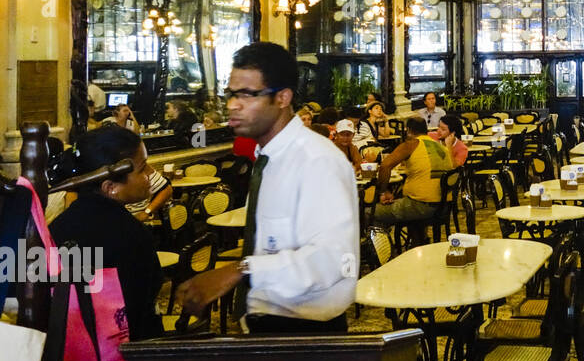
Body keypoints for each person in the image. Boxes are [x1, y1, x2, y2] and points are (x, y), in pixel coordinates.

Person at [176, 41, 358, 333]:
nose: (233, 105)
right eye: (231, 94)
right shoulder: (269, 159)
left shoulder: (316, 160)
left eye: (248, 94)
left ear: (283, 98)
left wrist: (240, 270)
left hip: (305, 333)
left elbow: (333, 260)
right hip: (266, 324)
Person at [49, 125, 164, 341]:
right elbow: (139, 312)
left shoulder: (57, 226)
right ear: (110, 187)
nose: (150, 174)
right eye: (143, 168)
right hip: (119, 358)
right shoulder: (132, 235)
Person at [373, 116, 457, 240]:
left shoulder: (411, 144)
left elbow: (385, 166)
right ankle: (418, 241)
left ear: (408, 130)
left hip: (421, 206)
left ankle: (382, 252)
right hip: (444, 207)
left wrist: (383, 191)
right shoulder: (441, 146)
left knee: (370, 212)